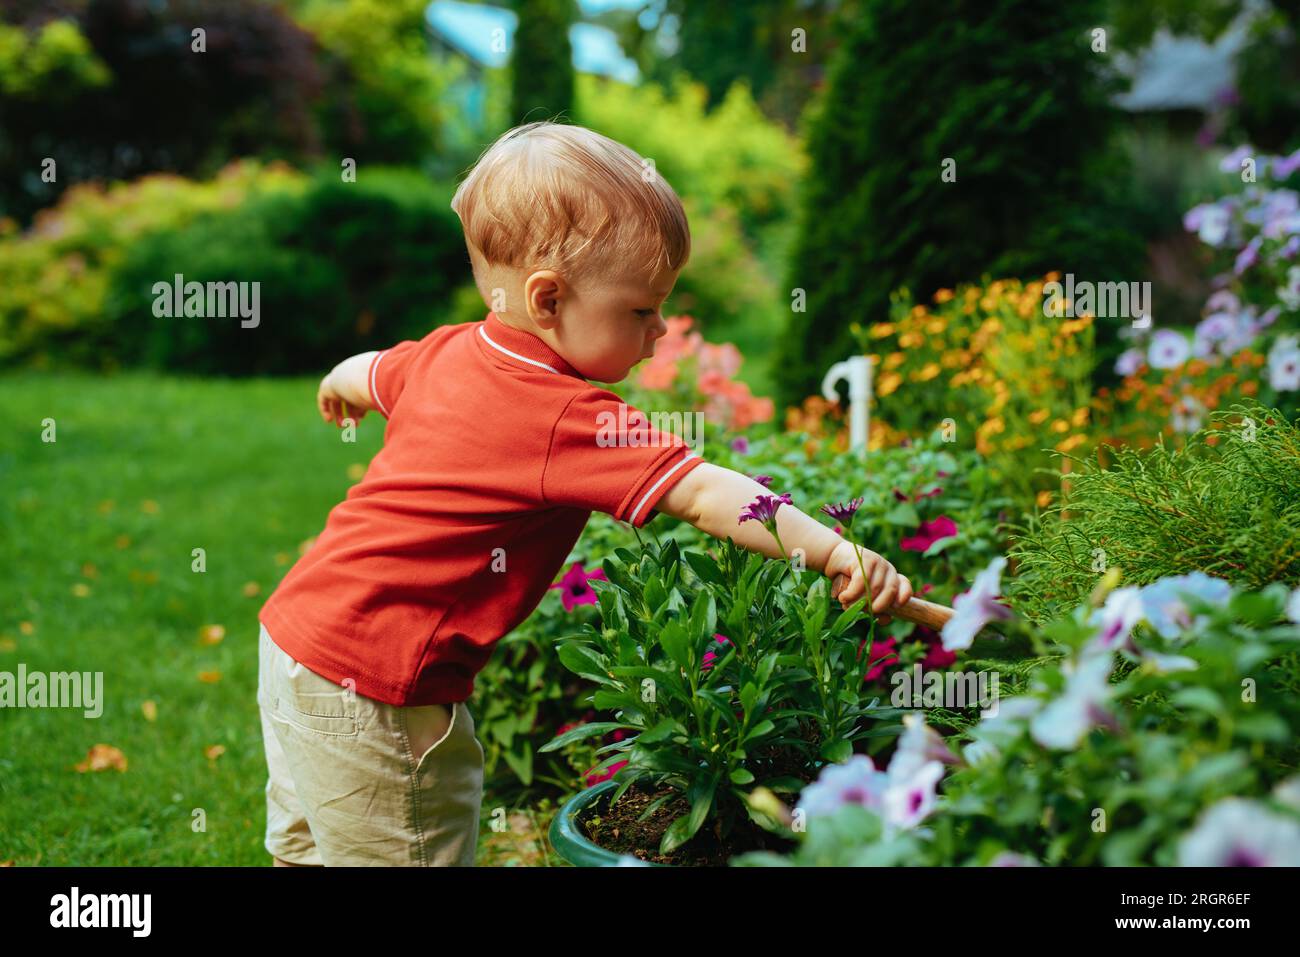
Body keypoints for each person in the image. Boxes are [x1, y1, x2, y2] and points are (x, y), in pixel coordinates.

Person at [257, 121, 913, 867]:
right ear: (548, 298)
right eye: (641, 310)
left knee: (309, 853)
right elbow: (701, 493)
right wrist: (832, 548)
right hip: (376, 685)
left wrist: (335, 385)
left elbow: (367, 370)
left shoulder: (446, 351)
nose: (661, 329)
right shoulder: (565, 413)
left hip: (294, 644)